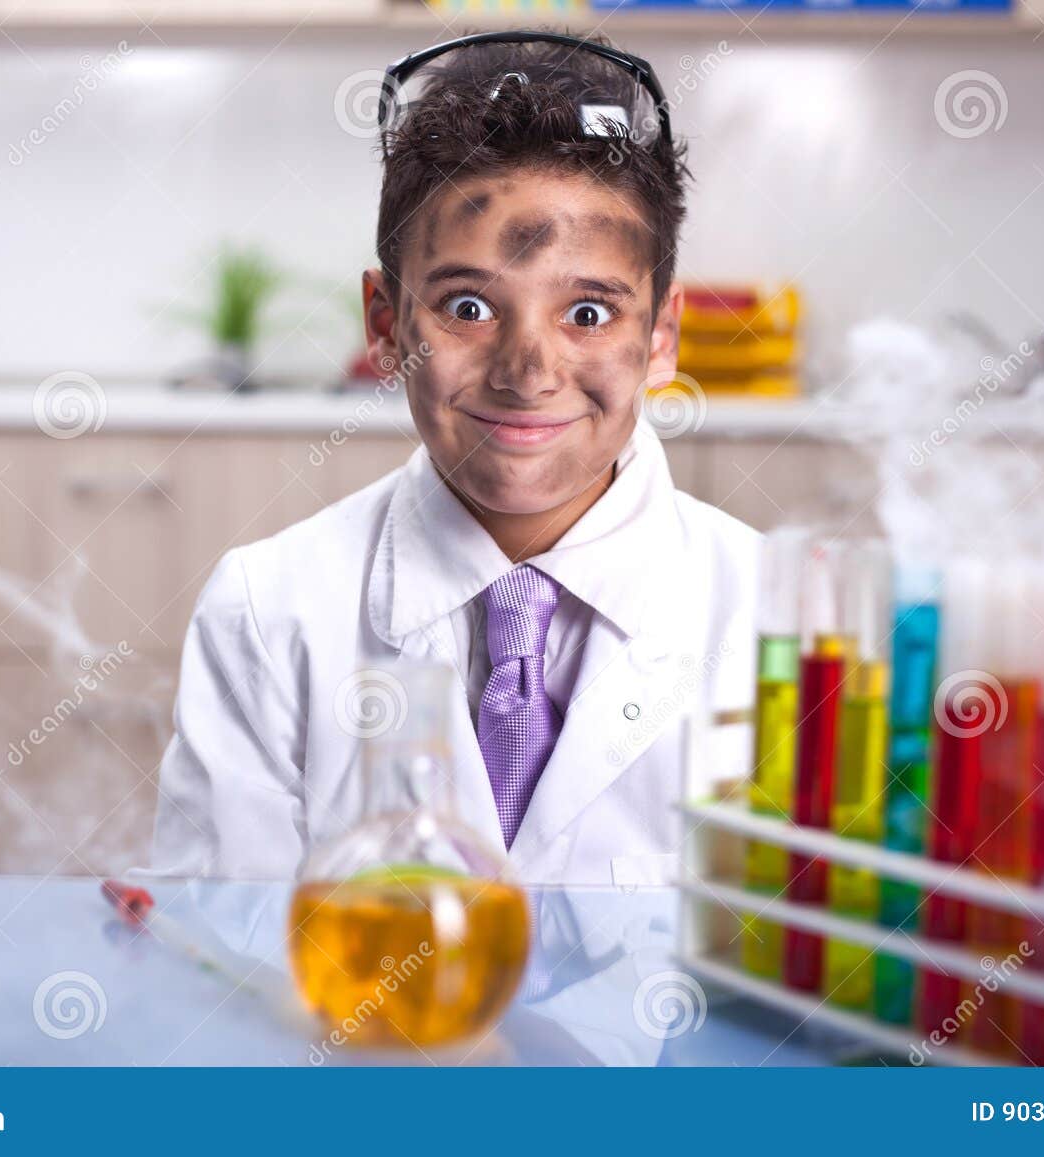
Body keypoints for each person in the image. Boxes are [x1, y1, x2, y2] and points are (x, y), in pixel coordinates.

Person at [152, 32, 759, 884]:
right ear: (385, 323)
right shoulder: (267, 613)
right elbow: (227, 972)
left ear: (661, 338)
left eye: (588, 314)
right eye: (467, 306)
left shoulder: (778, 626)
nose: (527, 372)